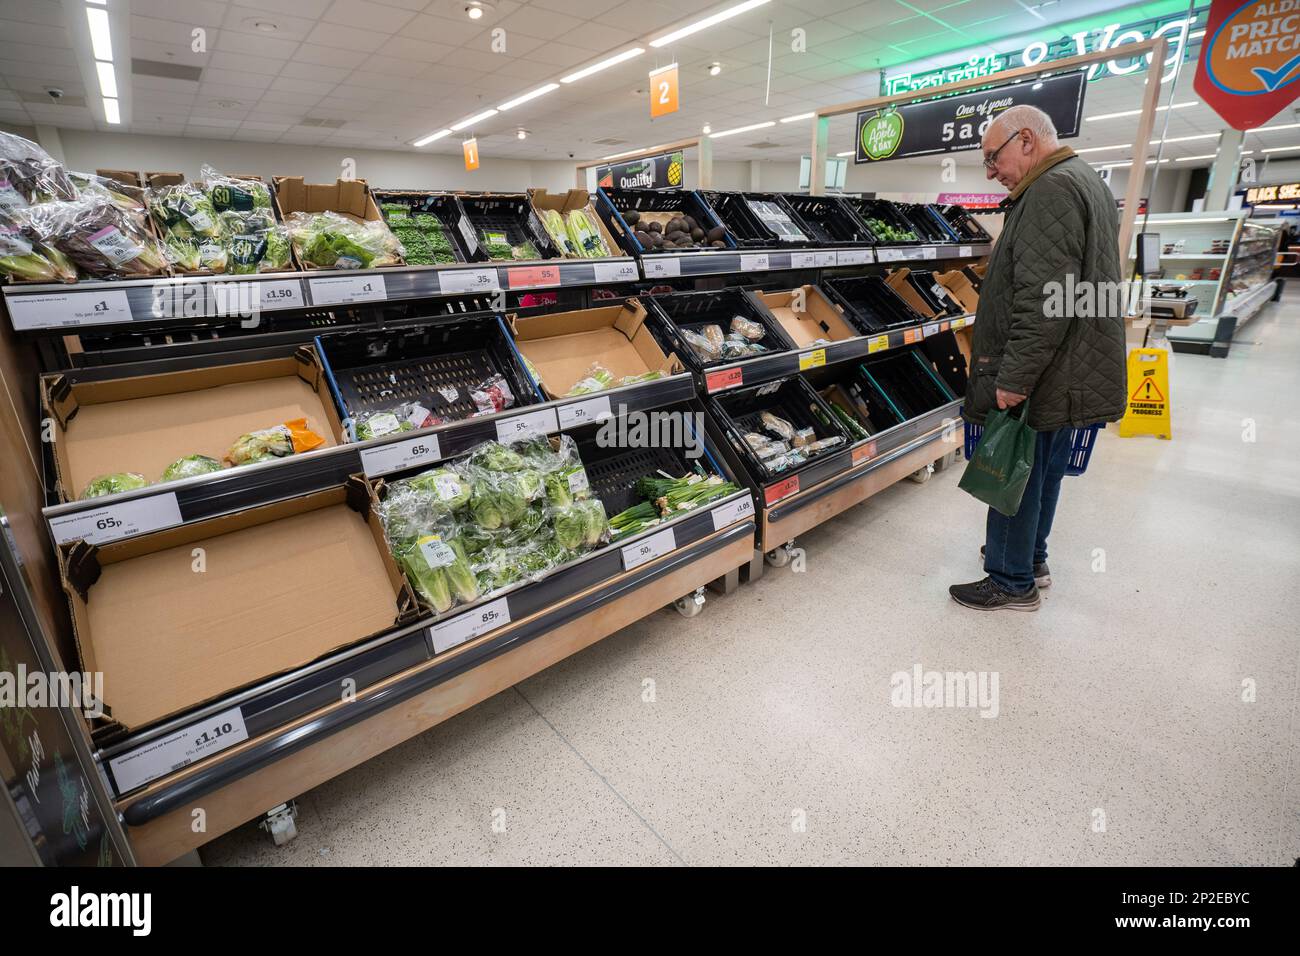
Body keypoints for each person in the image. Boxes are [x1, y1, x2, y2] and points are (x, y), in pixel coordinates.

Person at [949, 104, 1127, 611]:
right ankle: (1033, 559)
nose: (990, 172)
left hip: (1045, 368)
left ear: (1025, 140)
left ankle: (1009, 579)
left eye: (992, 158)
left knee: (1014, 468)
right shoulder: (1083, 178)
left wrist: (1015, 377)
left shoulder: (1049, 190)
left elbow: (1043, 300)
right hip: (1070, 365)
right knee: (1043, 470)